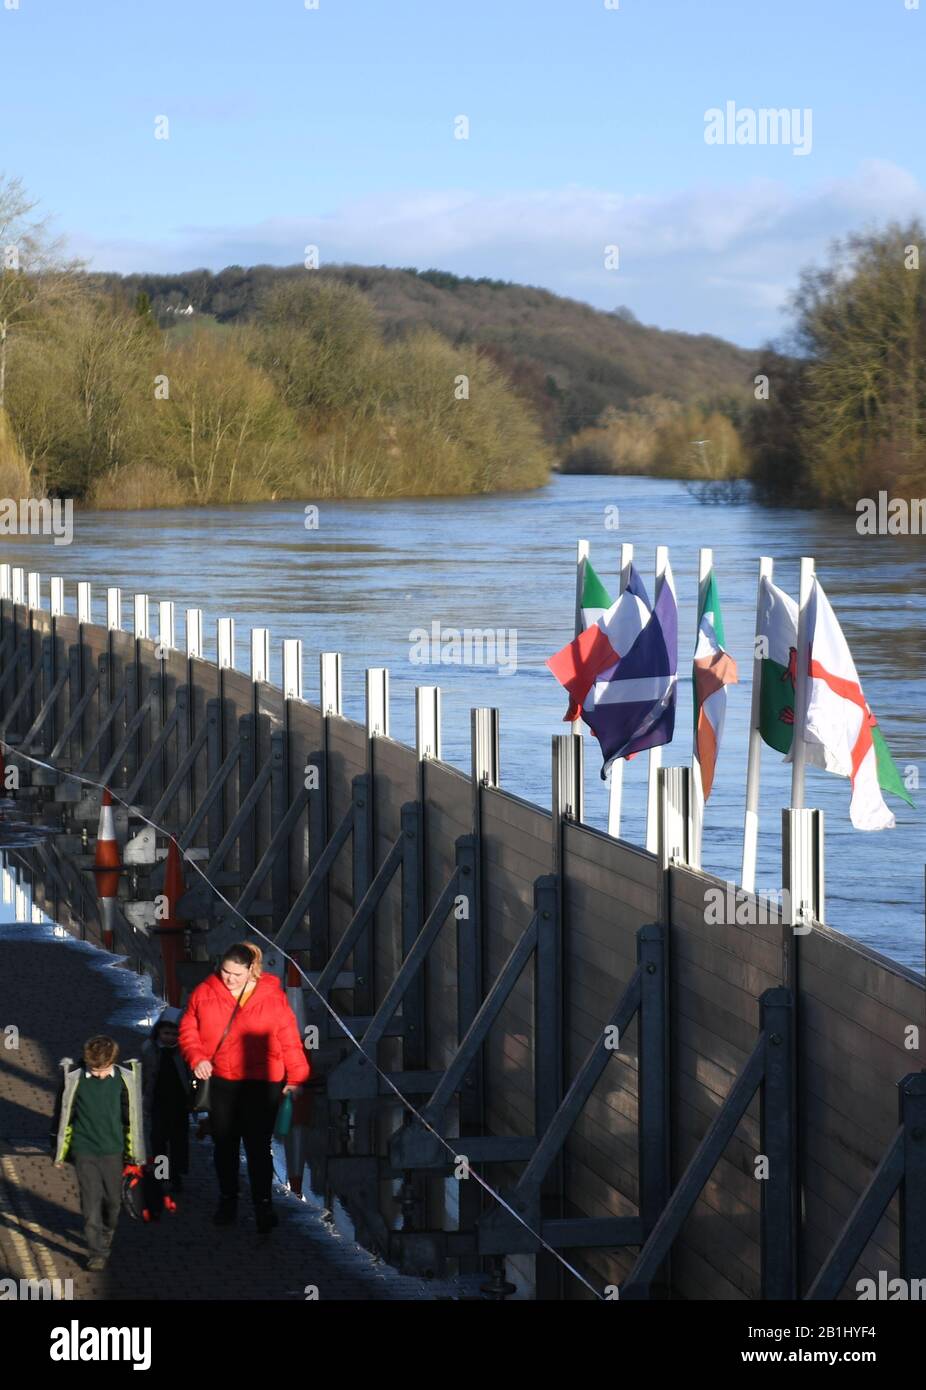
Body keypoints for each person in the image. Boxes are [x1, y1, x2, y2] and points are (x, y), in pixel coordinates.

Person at [178, 942, 309, 1233]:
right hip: (223, 1080)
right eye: (225, 972)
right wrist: (197, 1057)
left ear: (252, 970)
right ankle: (228, 1199)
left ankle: (263, 1205)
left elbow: (290, 1039)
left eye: (236, 974)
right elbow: (187, 1029)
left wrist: (297, 1076)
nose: (229, 979)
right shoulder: (205, 992)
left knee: (258, 1146)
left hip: (262, 1084)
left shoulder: (272, 998)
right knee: (224, 1144)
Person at [49, 1035, 146, 1271]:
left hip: (113, 1150)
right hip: (85, 1150)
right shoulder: (75, 1079)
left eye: (103, 1069)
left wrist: (135, 1154)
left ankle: (107, 1230)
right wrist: (59, 1151)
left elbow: (131, 1117)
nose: (99, 1074)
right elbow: (63, 1115)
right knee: (90, 1203)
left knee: (113, 1202)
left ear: (113, 1062)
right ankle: (97, 1252)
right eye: (94, 1069)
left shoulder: (124, 1080)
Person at [141, 1007, 191, 1216]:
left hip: (179, 1103)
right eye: (166, 1033)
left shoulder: (185, 1052)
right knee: (159, 1140)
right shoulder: (150, 1049)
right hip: (158, 1102)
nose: (170, 1038)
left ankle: (176, 1174)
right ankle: (162, 1175)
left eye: (174, 1034)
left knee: (178, 1140)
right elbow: (145, 1076)